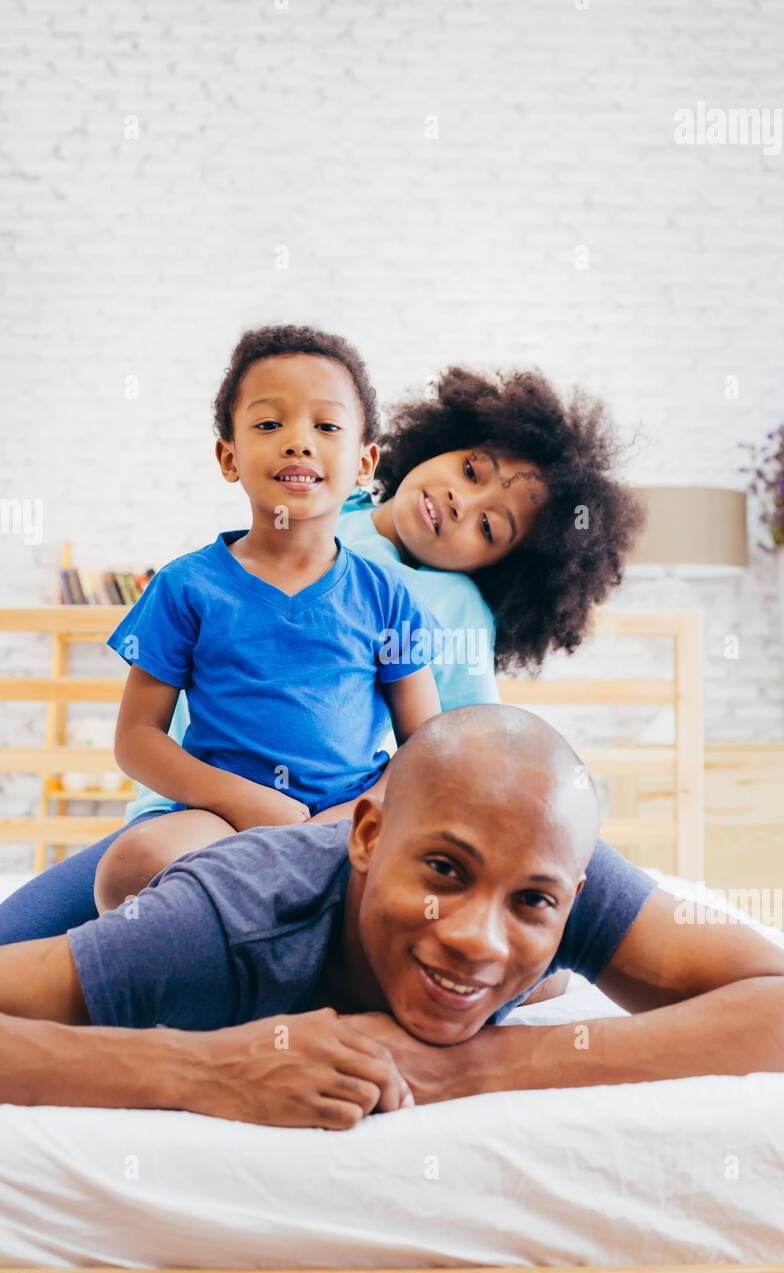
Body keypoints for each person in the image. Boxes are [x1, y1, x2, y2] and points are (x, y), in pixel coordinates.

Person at [0, 344, 643, 943]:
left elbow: (449, 750)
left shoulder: (446, 607)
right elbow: (147, 730)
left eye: (488, 525)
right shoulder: (276, 525)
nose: (459, 499)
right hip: (193, 812)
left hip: (343, 819)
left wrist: (361, 817)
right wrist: (231, 802)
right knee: (37, 925)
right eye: (472, 469)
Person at [0, 707, 784, 1130]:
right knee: (139, 864)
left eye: (531, 902)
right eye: (445, 871)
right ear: (369, 835)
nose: (477, 937)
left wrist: (474, 1067)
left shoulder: (555, 869)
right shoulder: (220, 926)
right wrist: (203, 1071)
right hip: (184, 877)